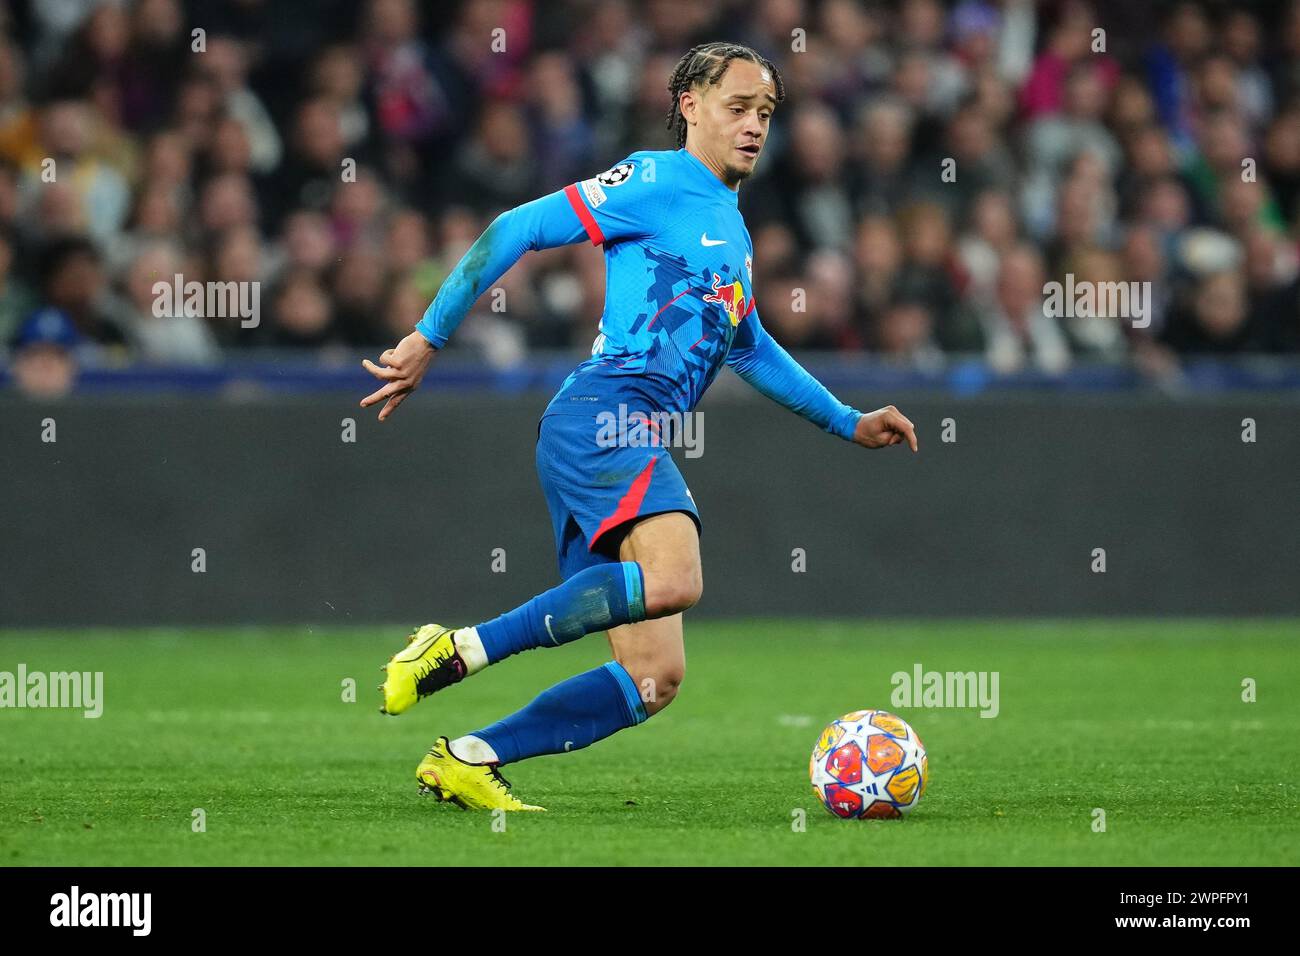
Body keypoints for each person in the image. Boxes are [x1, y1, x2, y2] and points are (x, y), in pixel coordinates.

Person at [360, 42, 918, 811]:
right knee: (679, 577)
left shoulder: (731, 226)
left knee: (656, 678)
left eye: (765, 112)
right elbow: (516, 227)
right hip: (606, 412)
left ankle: (468, 757)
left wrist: (848, 422)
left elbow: (750, 348)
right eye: (738, 107)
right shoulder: (653, 179)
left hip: (627, 429)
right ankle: (457, 649)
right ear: (689, 105)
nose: (755, 125)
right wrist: (430, 335)